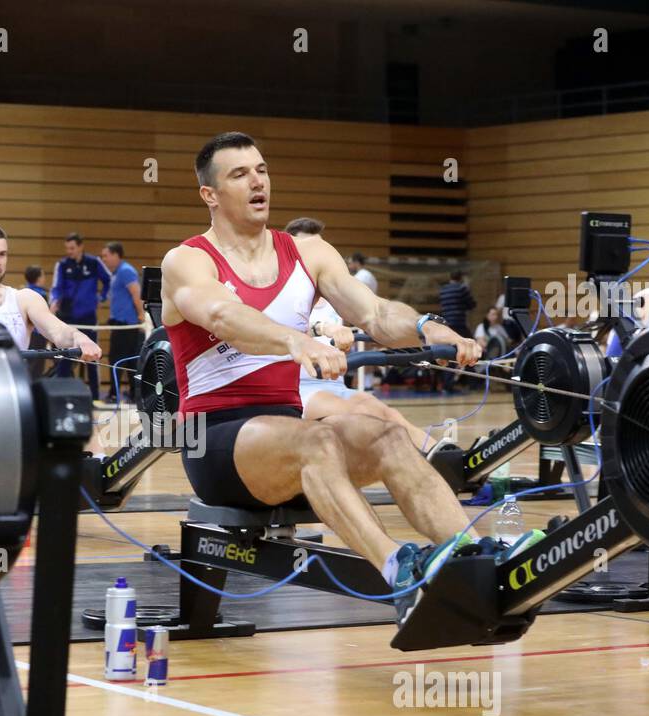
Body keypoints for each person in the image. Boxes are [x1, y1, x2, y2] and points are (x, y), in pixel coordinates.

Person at [162, 133, 543, 625]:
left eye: (262, 169)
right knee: (318, 440)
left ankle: (470, 555)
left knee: (385, 433)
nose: (258, 181)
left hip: (288, 436)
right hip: (214, 442)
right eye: (240, 174)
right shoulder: (187, 260)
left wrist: (427, 327)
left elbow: (377, 314)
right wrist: (295, 342)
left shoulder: (307, 251)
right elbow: (221, 314)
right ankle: (399, 571)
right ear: (209, 195)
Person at [283, 218, 452, 457]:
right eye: (308, 248)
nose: (316, 255)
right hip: (299, 391)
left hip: (334, 385)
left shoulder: (335, 294)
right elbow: (288, 330)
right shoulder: (284, 294)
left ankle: (447, 458)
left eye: (320, 247)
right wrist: (325, 329)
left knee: (388, 414)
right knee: (361, 412)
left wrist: (426, 340)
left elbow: (378, 319)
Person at [0, 222, 104, 453]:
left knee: (77, 413)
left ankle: (99, 478)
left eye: (2, 254)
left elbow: (57, 330)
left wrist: (79, 338)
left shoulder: (25, 298)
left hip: (18, 398)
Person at [50, 233, 108, 398]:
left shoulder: (94, 263)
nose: (69, 251)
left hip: (88, 318)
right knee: (65, 359)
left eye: (72, 248)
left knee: (92, 357)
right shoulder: (62, 265)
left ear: (81, 247)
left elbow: (107, 280)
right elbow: (56, 288)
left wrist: (101, 297)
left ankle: (95, 397)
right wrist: (54, 302)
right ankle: (61, 396)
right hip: (67, 318)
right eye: (67, 248)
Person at [97, 242, 144, 403]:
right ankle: (127, 393)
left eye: (106, 255)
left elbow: (136, 295)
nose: (104, 259)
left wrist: (141, 317)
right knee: (124, 358)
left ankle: (116, 394)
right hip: (119, 323)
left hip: (127, 324)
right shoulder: (117, 272)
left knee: (121, 359)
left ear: (116, 255)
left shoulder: (125, 271)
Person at [437, 271, 477, 393]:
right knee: (471, 349)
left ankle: (447, 385)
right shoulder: (461, 288)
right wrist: (467, 287)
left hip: (447, 325)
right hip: (459, 324)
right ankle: (473, 382)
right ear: (460, 278)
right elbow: (471, 304)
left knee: (450, 353)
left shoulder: (443, 290)